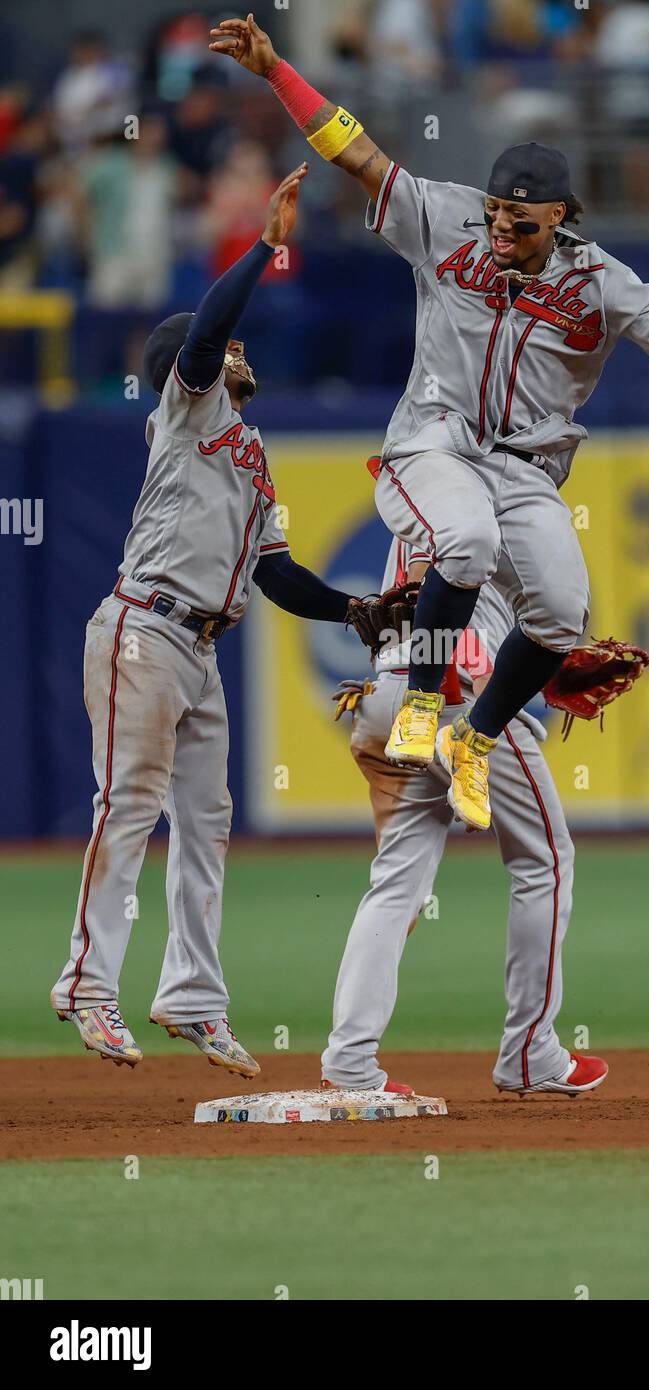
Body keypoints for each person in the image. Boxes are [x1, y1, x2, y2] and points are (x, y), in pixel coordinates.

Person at [209, 13, 649, 837]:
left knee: (563, 613)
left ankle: (477, 736)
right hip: (434, 439)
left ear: (560, 218)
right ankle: (422, 699)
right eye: (495, 211)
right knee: (463, 542)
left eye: (520, 220)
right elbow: (354, 151)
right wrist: (277, 71)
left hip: (529, 466)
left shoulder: (602, 281)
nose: (500, 227)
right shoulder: (445, 217)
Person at [51, 165, 369, 1077]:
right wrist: (265, 246)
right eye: (225, 346)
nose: (238, 352)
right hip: (143, 630)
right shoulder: (188, 409)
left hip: (200, 649)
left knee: (207, 821)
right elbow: (208, 336)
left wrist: (356, 609)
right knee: (129, 809)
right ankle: (87, 985)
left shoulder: (252, 452)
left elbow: (277, 575)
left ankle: (190, 996)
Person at [322, 483, 609, 1097]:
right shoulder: (504, 493)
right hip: (461, 704)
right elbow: (529, 616)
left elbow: (454, 601)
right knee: (545, 861)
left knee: (397, 882)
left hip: (385, 700)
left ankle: (349, 1062)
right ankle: (530, 1053)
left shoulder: (425, 484)